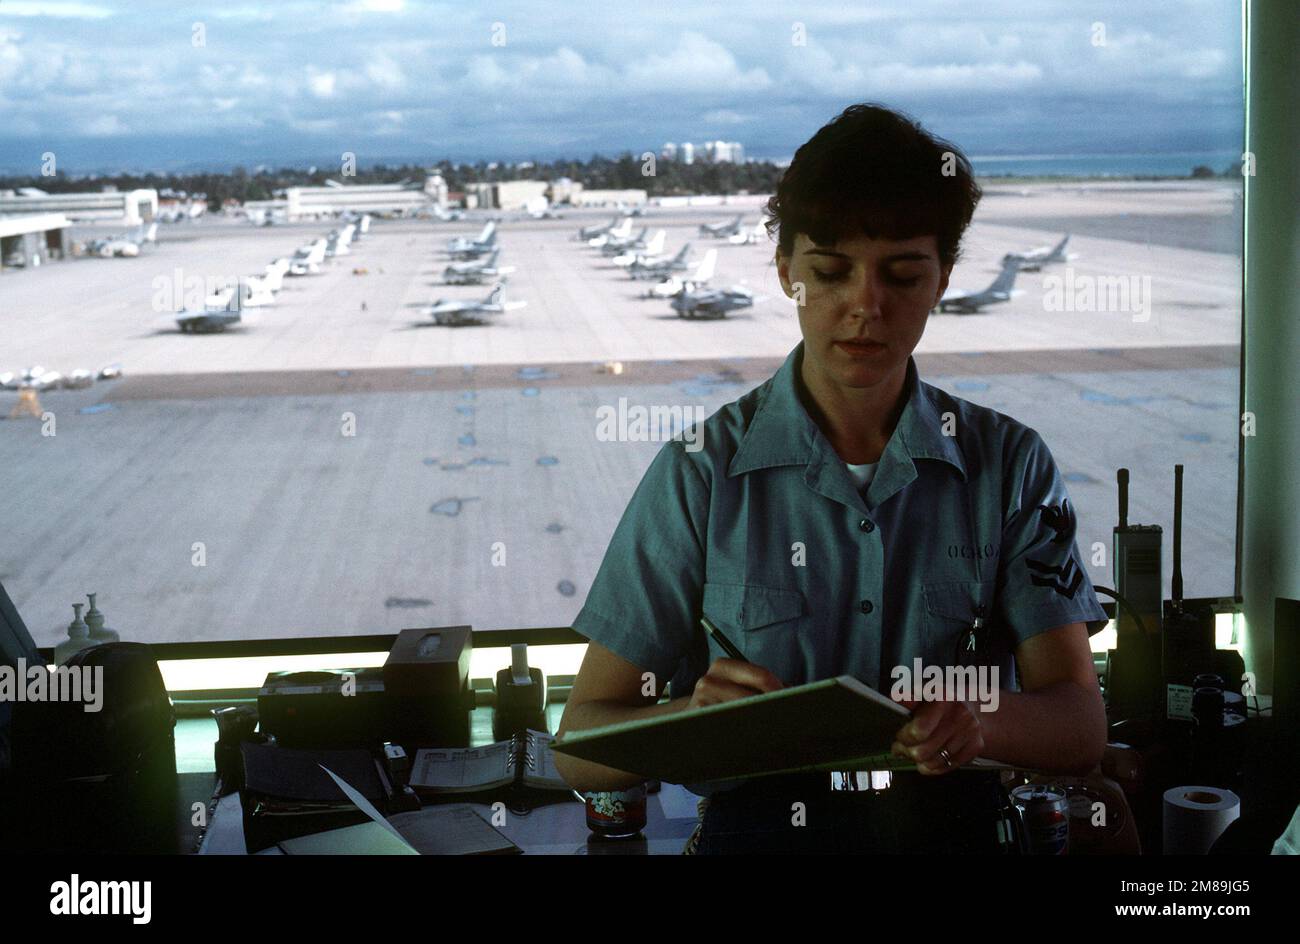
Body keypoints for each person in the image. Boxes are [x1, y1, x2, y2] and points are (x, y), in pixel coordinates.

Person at [554, 103, 1110, 853]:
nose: (866, 307)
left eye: (904, 275)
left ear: (944, 278)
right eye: (830, 271)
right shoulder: (699, 475)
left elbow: (1079, 724)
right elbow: (577, 747)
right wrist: (683, 718)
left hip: (953, 828)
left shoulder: (1010, 466)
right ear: (786, 272)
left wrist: (978, 719)